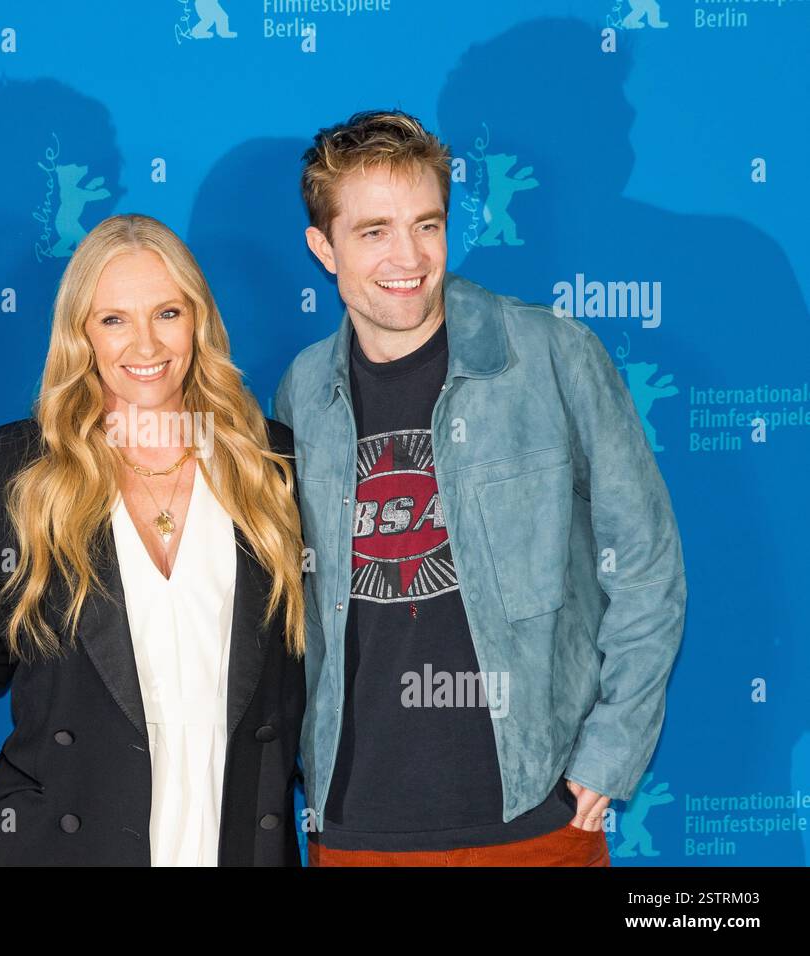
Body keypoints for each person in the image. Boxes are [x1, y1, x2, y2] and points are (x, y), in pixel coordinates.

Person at [273, 111, 686, 866]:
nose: (409, 257)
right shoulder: (303, 391)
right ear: (322, 248)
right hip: (358, 828)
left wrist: (611, 748)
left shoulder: (550, 354)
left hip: (535, 819)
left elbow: (647, 563)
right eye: (373, 232)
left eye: (426, 225)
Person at [0, 213, 306, 865]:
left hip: (233, 843)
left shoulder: (272, 466)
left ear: (198, 319)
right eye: (114, 319)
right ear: (81, 334)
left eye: (167, 313)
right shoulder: (10, 472)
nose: (145, 345)